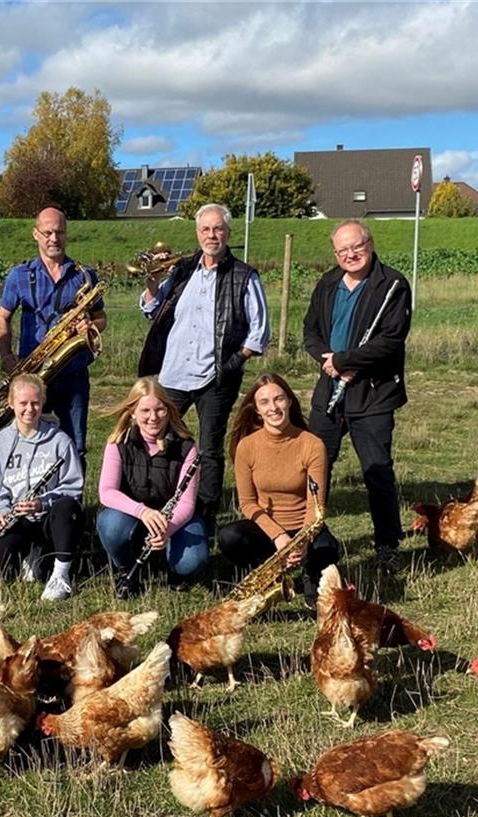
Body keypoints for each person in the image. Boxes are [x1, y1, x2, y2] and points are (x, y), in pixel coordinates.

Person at [137, 203, 269, 531]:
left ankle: (205, 514)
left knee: (209, 448)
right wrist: (152, 282)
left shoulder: (244, 275)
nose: (212, 235)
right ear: (198, 234)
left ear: (228, 233)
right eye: (206, 229)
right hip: (174, 374)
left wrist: (232, 363)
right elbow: (153, 309)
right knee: (160, 438)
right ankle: (160, 505)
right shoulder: (181, 270)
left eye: (218, 229)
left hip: (216, 378)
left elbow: (259, 332)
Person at [302, 219, 411, 576]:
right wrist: (327, 362)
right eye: (342, 249)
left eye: (356, 247)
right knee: (315, 471)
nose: (350, 254)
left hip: (373, 396)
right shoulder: (328, 282)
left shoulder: (392, 284)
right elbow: (311, 330)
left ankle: (387, 547)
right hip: (329, 392)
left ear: (370, 243)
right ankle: (310, 539)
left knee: (376, 472)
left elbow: (390, 341)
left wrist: (347, 361)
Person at [0, 206, 107, 462]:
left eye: (59, 232)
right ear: (36, 234)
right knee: (29, 441)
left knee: (75, 445)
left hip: (73, 372)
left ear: (66, 234)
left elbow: (101, 318)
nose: (53, 238)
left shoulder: (84, 275)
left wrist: (90, 328)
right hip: (33, 372)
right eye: (47, 232)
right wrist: (5, 355)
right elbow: (2, 316)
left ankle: (73, 501)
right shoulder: (19, 275)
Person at [217, 373, 341, 606]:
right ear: (256, 410)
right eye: (264, 402)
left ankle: (311, 574)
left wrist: (302, 542)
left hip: (304, 527)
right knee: (229, 537)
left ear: (290, 402)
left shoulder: (312, 444)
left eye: (279, 399)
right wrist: (278, 537)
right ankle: (263, 569)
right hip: (268, 529)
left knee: (328, 549)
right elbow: (247, 503)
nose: (273, 407)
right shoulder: (247, 446)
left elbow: (316, 504)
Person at [96, 377, 208, 599]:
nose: (153, 417)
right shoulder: (118, 443)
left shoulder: (186, 447)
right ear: (133, 413)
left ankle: (175, 570)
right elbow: (106, 492)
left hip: (174, 518)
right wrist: (142, 512)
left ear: (168, 411)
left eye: (160, 410)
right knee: (111, 525)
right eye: (145, 410)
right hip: (132, 515)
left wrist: (168, 527)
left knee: (191, 562)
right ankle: (127, 569)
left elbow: (186, 502)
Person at [0, 373, 85, 601]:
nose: (30, 409)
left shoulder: (60, 440)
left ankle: (59, 574)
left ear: (43, 402)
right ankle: (29, 554)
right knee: (0, 567)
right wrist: (1, 512)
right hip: (18, 517)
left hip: (50, 519)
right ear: (11, 404)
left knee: (67, 507)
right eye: (23, 403)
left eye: (35, 403)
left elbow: (73, 488)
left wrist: (42, 503)